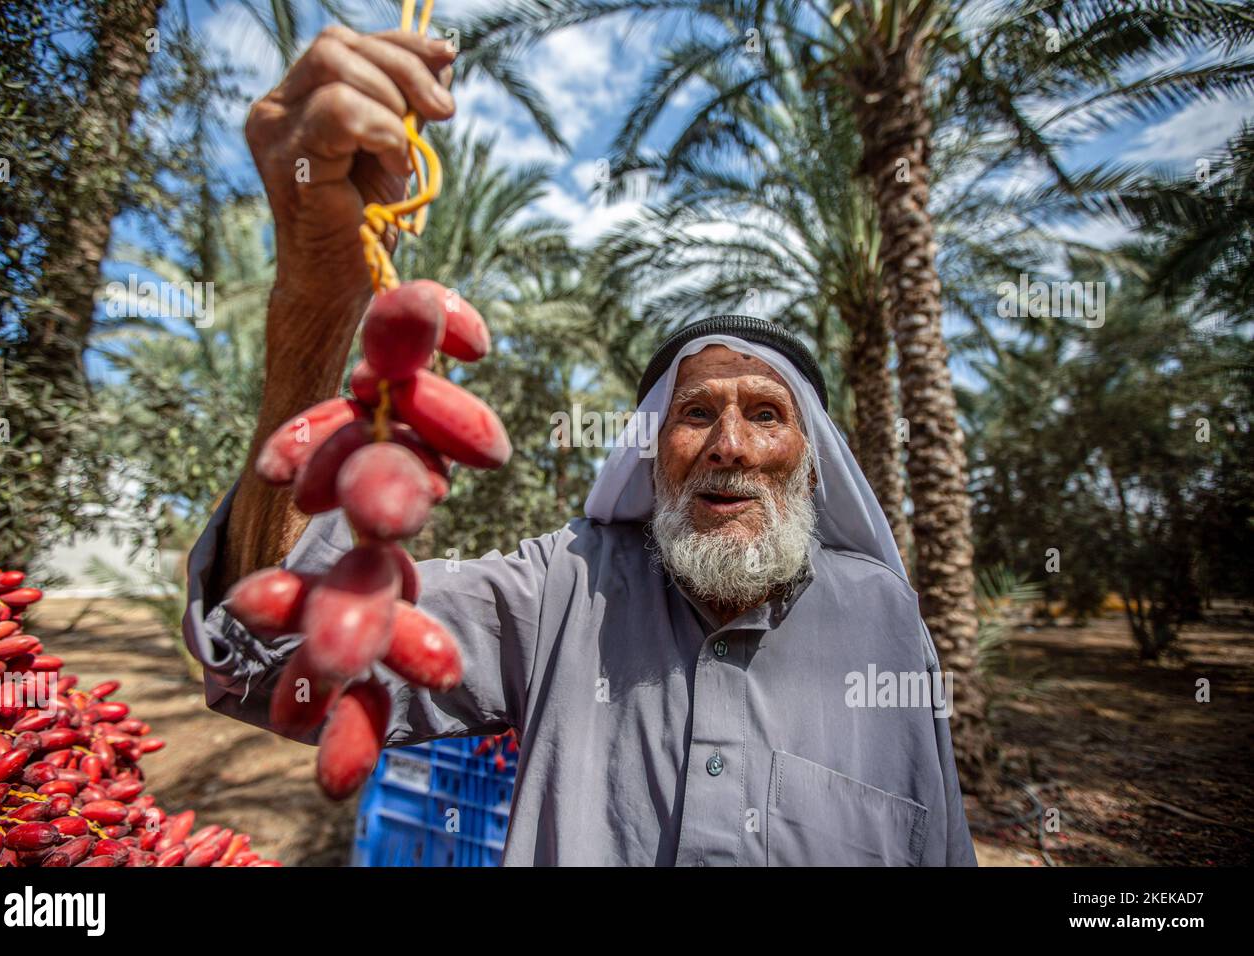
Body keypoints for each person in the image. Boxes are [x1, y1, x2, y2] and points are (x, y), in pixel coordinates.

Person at [181, 26, 976, 866]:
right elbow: (271, 660)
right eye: (696, 414)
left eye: (768, 416)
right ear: (649, 452)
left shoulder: (886, 625)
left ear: (814, 460)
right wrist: (317, 298)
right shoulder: (565, 591)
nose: (730, 446)